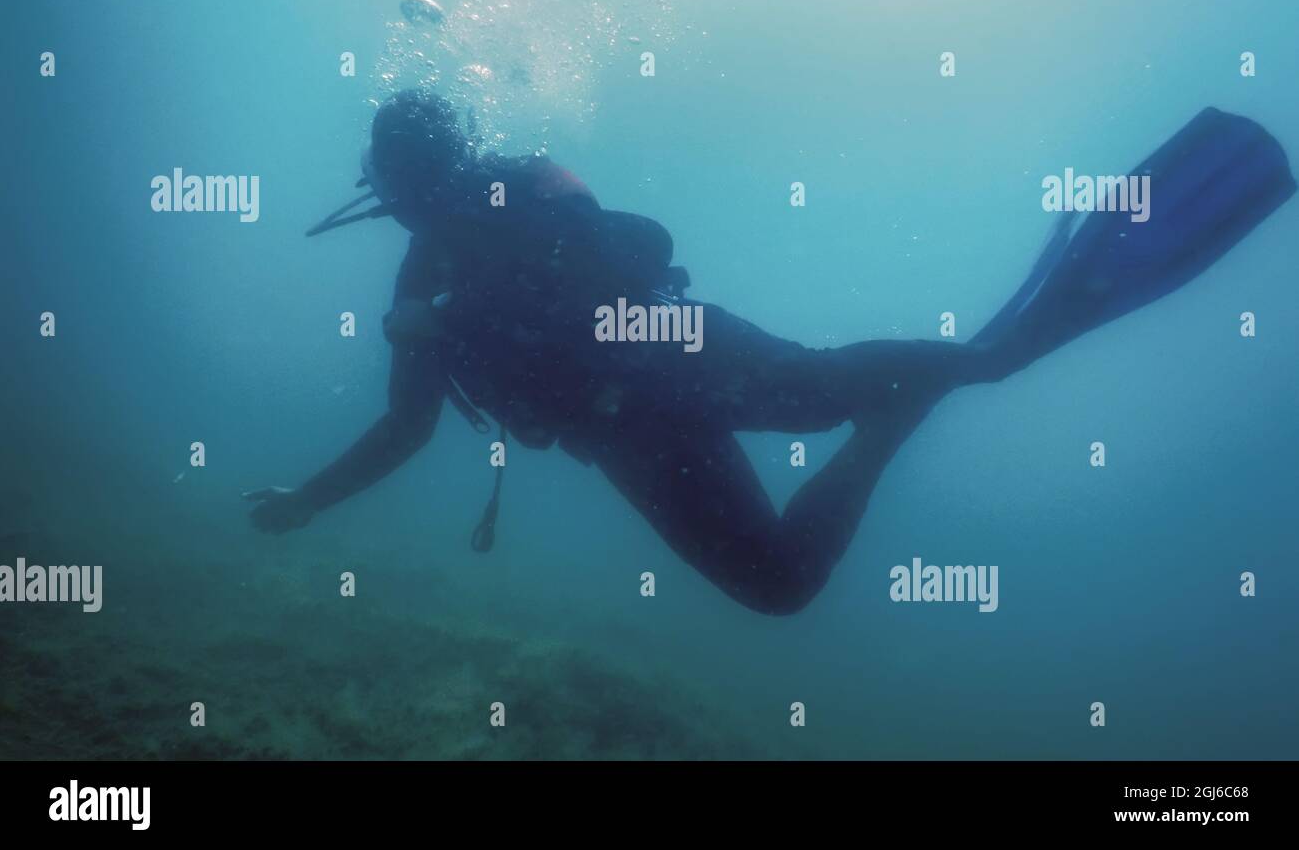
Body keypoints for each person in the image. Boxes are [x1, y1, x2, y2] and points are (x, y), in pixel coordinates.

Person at [244, 90, 1295, 614]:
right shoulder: (417, 282)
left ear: (452, 159)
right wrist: (306, 496)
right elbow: (406, 423)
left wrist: (461, 314)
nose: (416, 195)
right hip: (625, 441)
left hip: (677, 354)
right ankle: (889, 424)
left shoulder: (521, 192)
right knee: (780, 588)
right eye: (400, 179)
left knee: (974, 364)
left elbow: (610, 270)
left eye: (425, 171)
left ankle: (1143, 231)